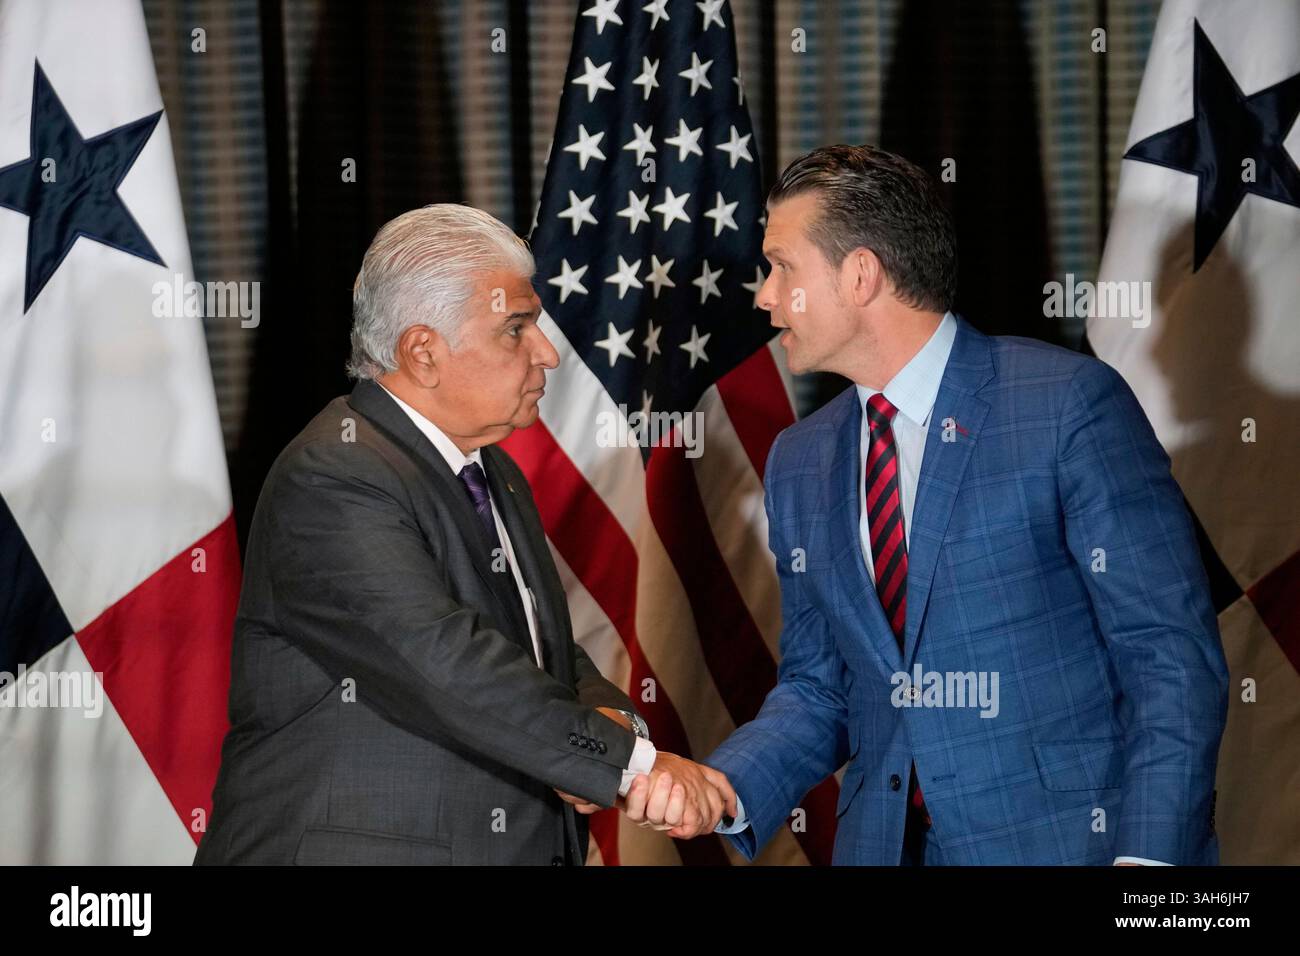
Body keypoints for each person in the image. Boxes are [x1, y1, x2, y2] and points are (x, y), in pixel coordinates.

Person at [629, 145, 1228, 865]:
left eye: (783, 266)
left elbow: (1169, 657)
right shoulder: (800, 459)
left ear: (860, 275)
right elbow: (821, 688)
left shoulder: (1067, 406)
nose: (763, 295)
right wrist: (724, 786)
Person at [196, 204, 733, 865]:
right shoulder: (334, 474)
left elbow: (535, 648)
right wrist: (633, 765)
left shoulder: (491, 470)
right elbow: (442, 659)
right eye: (516, 329)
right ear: (424, 353)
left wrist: (604, 712)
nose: (547, 353)